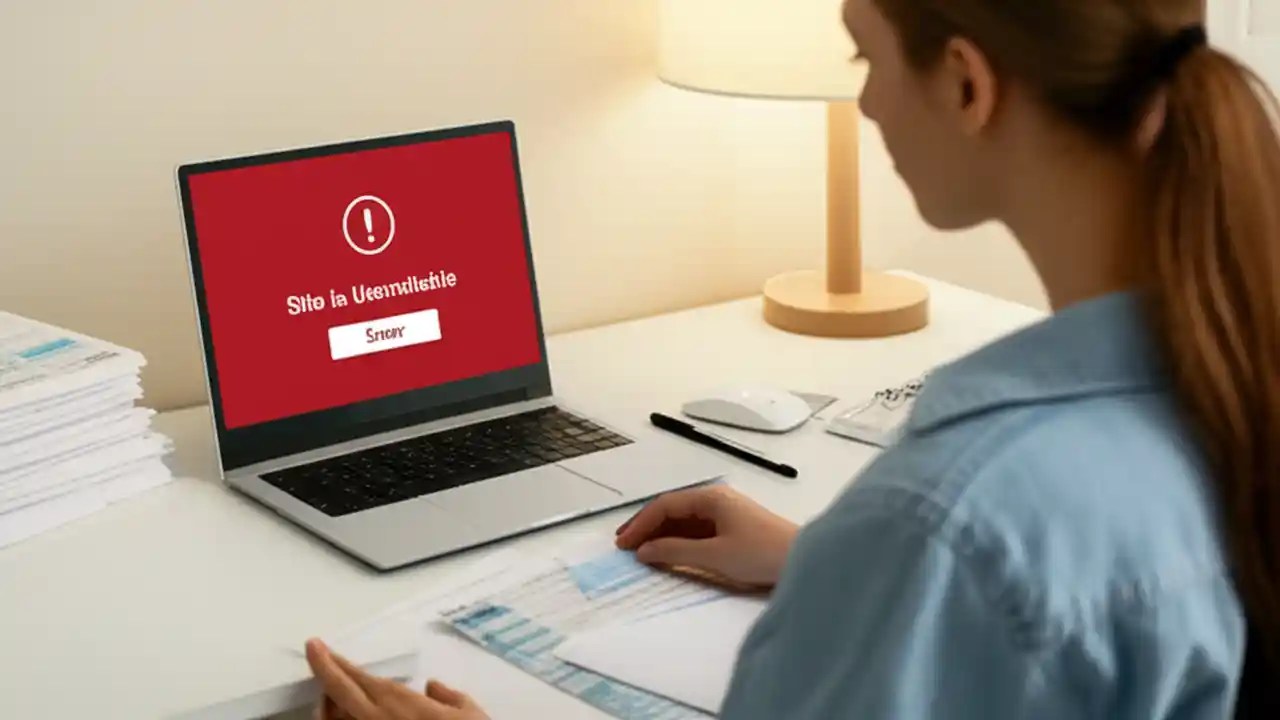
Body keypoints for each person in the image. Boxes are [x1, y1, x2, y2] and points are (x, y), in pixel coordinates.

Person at [303, 0, 1280, 716]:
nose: (865, 103)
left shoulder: (946, 517)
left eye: (865, 57)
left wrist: (889, 563)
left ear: (966, 83)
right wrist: (835, 565)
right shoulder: (1229, 378)